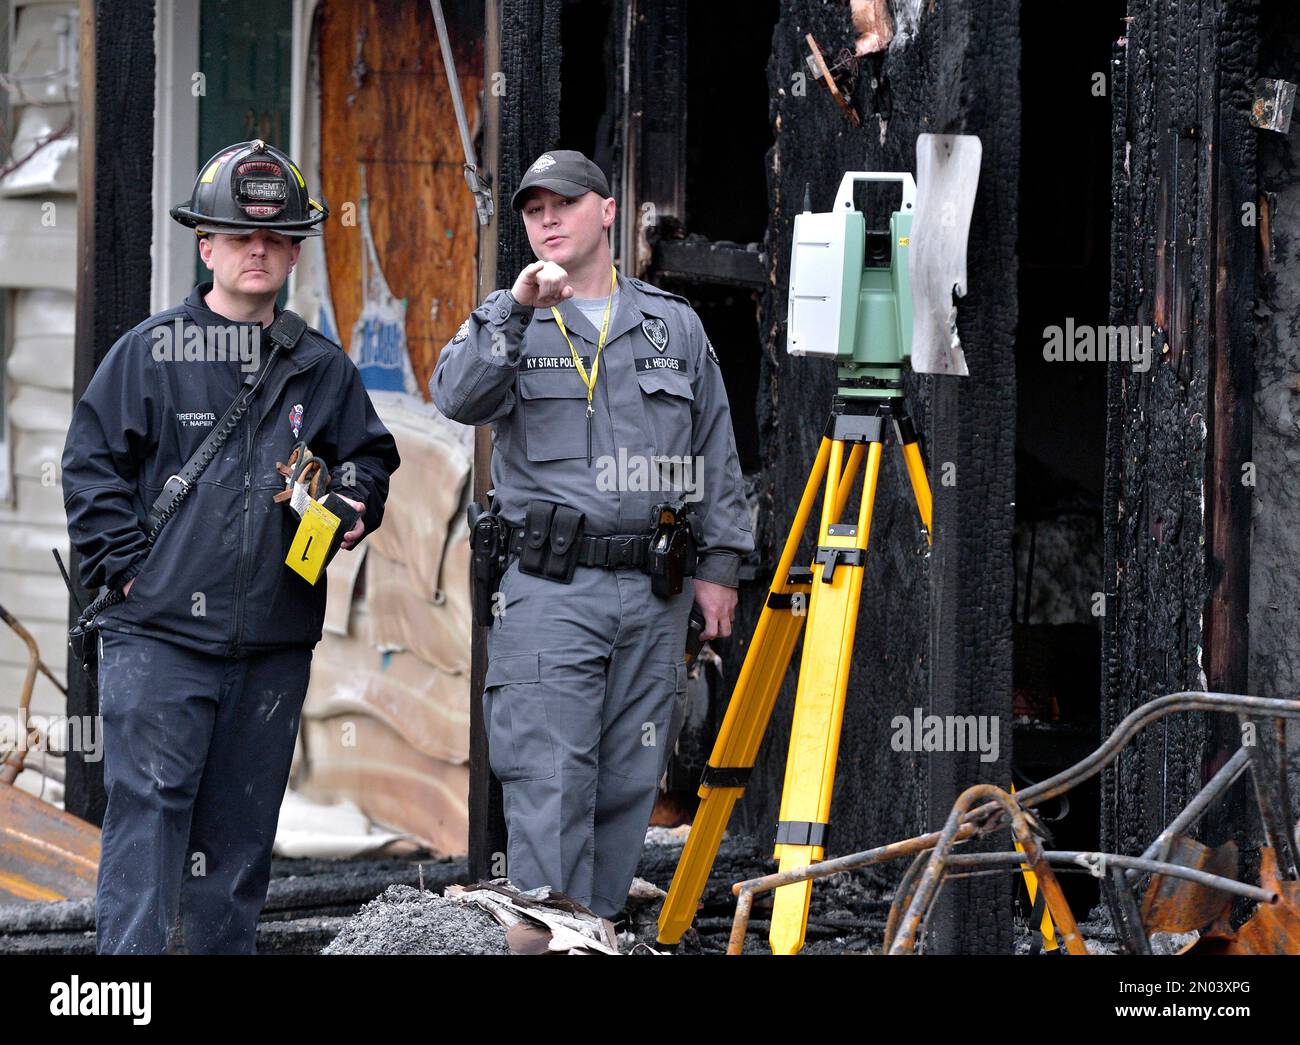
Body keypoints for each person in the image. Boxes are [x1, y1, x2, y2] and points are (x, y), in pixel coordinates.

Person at [60, 139, 401, 954]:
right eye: (239, 237)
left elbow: (369, 456)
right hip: (161, 640)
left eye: (277, 238)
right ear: (205, 246)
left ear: (292, 251)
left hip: (272, 649)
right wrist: (129, 574)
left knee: (239, 850)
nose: (259, 250)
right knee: (147, 835)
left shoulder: (321, 368)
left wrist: (353, 500)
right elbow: (89, 462)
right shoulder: (150, 351)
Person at [430, 149, 753, 924]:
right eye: (534, 209)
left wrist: (719, 569)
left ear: (607, 211)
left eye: (564, 204)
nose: (547, 218)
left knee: (627, 784)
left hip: (652, 591)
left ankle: (596, 934)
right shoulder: (510, 320)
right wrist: (514, 308)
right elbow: (456, 395)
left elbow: (715, 449)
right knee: (550, 782)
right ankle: (552, 938)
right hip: (550, 591)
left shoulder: (672, 325)